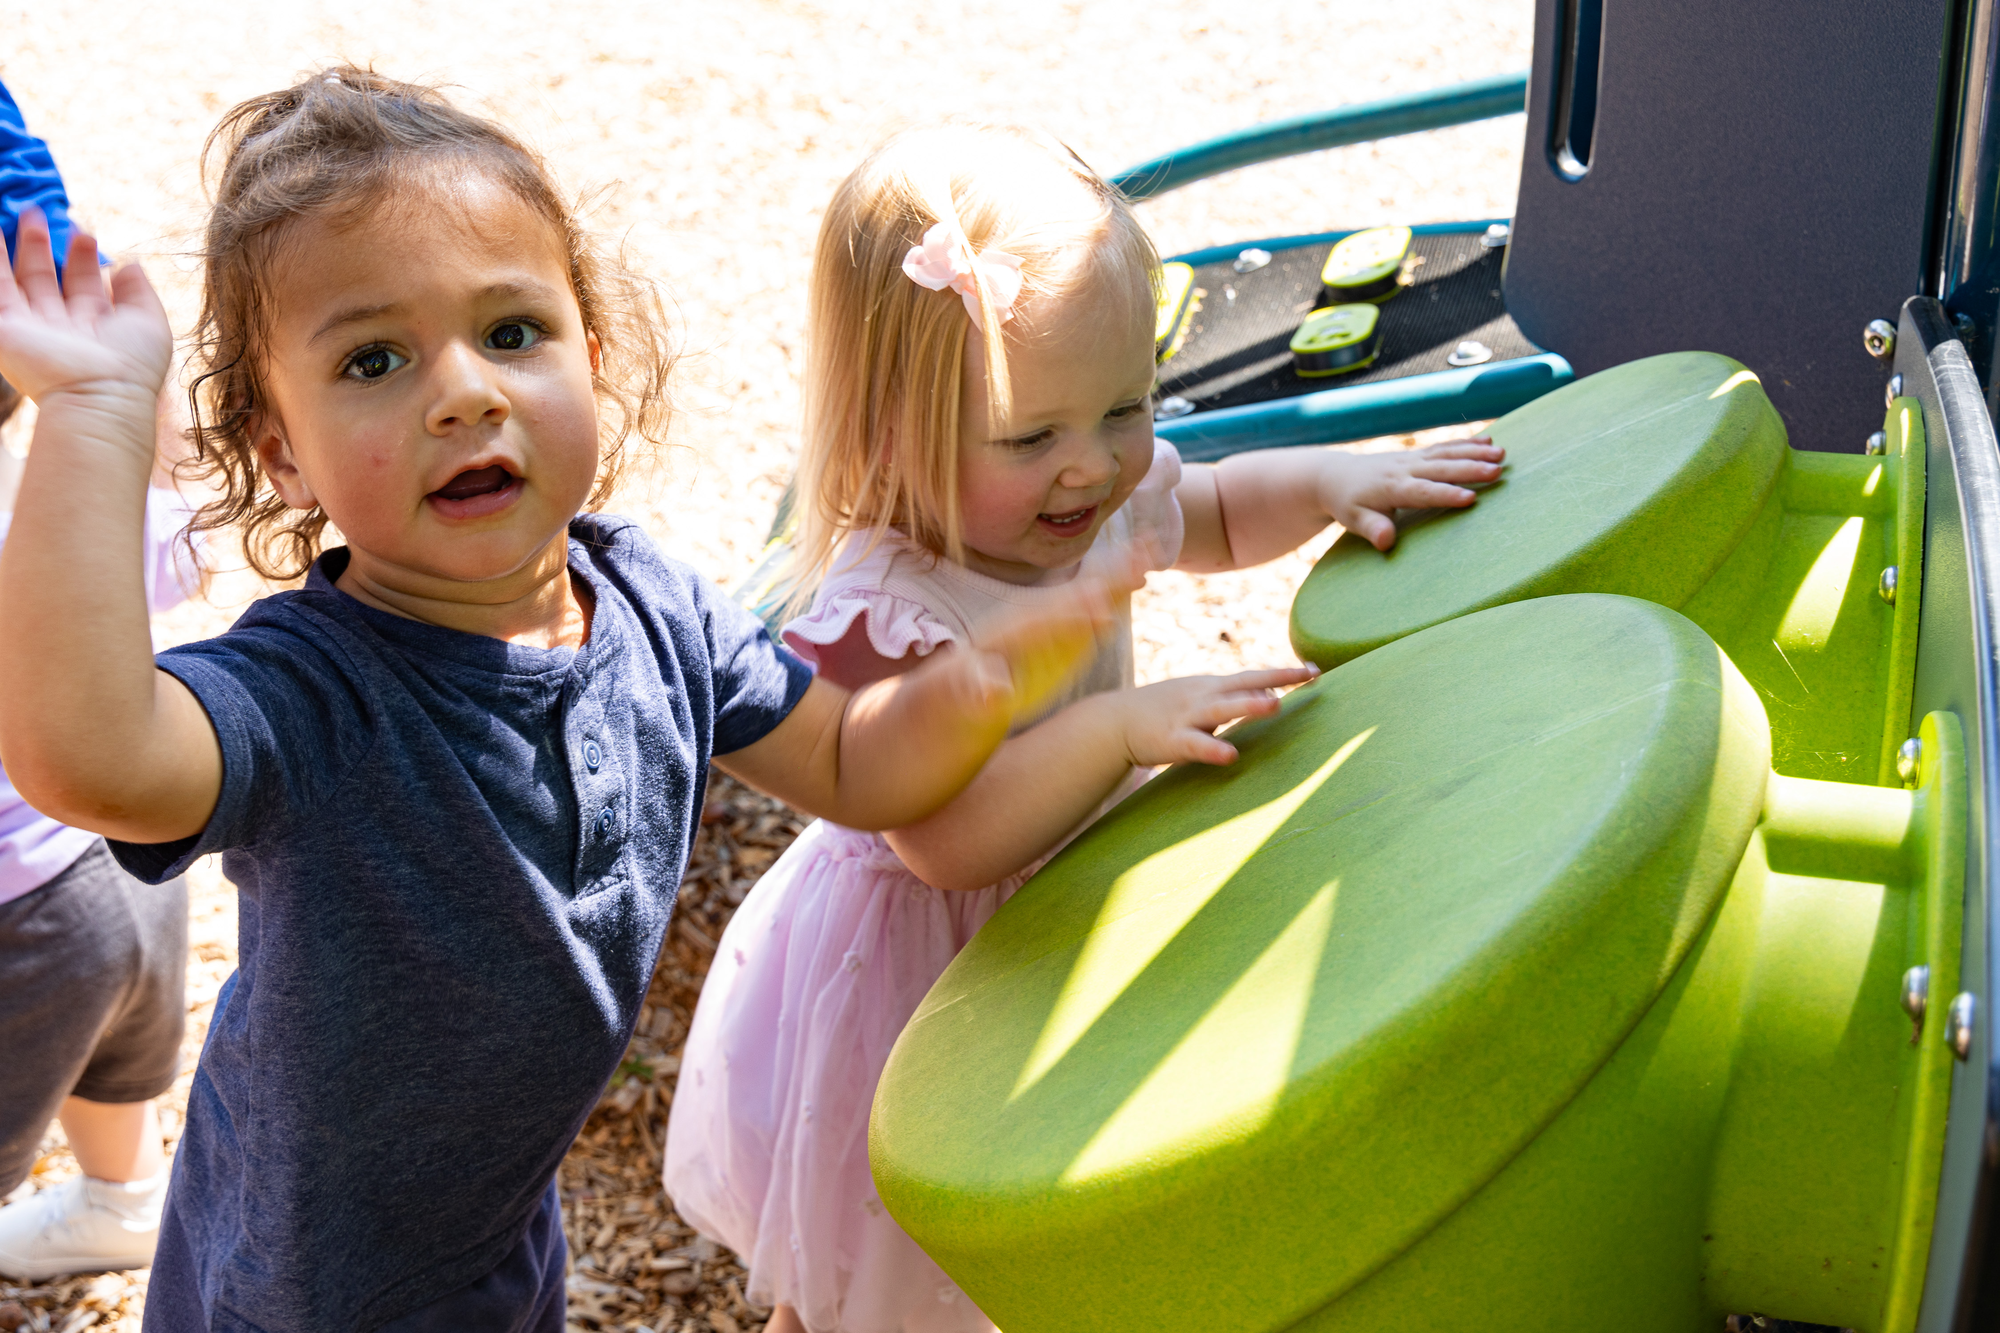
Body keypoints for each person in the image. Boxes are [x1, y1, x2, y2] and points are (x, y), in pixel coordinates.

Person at [0, 70, 1179, 1333]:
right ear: (281, 450)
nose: (465, 391)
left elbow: (851, 761)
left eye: (512, 332)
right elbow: (89, 756)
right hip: (308, 1287)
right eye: (374, 359)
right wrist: (95, 414)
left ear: (594, 357)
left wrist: (984, 679)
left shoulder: (651, 603)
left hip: (497, 1230)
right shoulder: (313, 692)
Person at [661, 123, 1506, 1333]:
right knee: (879, 1256)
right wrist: (1113, 730)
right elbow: (943, 842)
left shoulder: (1084, 503)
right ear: (891, 430)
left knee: (1049, 1208)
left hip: (1064, 899)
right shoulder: (883, 612)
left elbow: (1213, 509)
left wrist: (1331, 482)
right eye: (1031, 436)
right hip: (929, 967)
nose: (1094, 466)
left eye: (1126, 407)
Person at [0, 77, 203, 1282]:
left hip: (15, 931)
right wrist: (131, 411)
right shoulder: (59, 510)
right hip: (131, 863)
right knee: (117, 1062)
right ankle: (123, 1202)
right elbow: (179, 537)